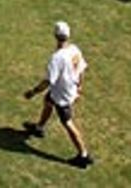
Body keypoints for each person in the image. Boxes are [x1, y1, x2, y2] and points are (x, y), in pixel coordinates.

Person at [23, 21, 94, 169]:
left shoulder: (57, 58)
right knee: (48, 101)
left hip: (63, 95)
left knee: (67, 123)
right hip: (68, 89)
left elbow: (48, 81)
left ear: (55, 35)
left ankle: (83, 155)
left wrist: (32, 92)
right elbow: (81, 69)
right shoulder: (75, 49)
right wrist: (80, 85)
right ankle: (39, 127)